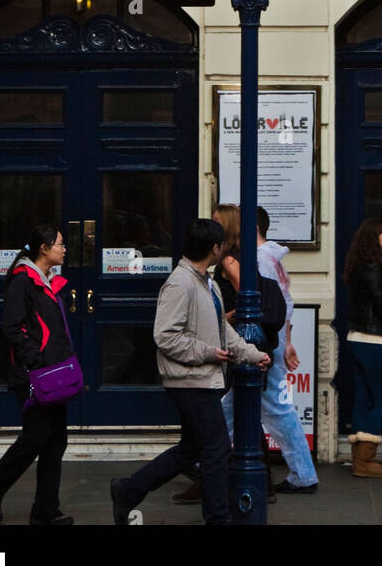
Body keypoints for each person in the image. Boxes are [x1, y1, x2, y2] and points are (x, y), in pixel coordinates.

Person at [110, 217, 269, 526]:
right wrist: (207, 353)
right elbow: (166, 336)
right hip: (189, 380)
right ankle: (218, 517)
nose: (224, 250)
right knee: (217, 447)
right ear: (214, 248)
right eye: (222, 245)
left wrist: (251, 354)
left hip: (202, 378)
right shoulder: (180, 283)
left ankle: (128, 490)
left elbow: (222, 329)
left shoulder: (205, 282)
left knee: (190, 450)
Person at [0, 225, 75, 525]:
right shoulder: (23, 281)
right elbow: (13, 328)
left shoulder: (47, 281)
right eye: (60, 243)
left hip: (53, 373)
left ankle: (45, 510)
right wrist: (37, 362)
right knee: (37, 435)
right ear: (44, 248)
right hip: (33, 374)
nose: (65, 248)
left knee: (55, 440)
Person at [235, 206, 319, 495]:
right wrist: (288, 340)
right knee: (265, 404)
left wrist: (283, 342)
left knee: (270, 406)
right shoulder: (271, 257)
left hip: (265, 341)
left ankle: (199, 455)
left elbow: (271, 306)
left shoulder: (259, 260)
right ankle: (201, 453)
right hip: (275, 339)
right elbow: (286, 304)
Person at [343, 217, 382, 478]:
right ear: (374, 238)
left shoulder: (358, 265)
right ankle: (366, 460)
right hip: (375, 340)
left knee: (363, 397)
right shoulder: (373, 268)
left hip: (357, 338)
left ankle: (359, 459)